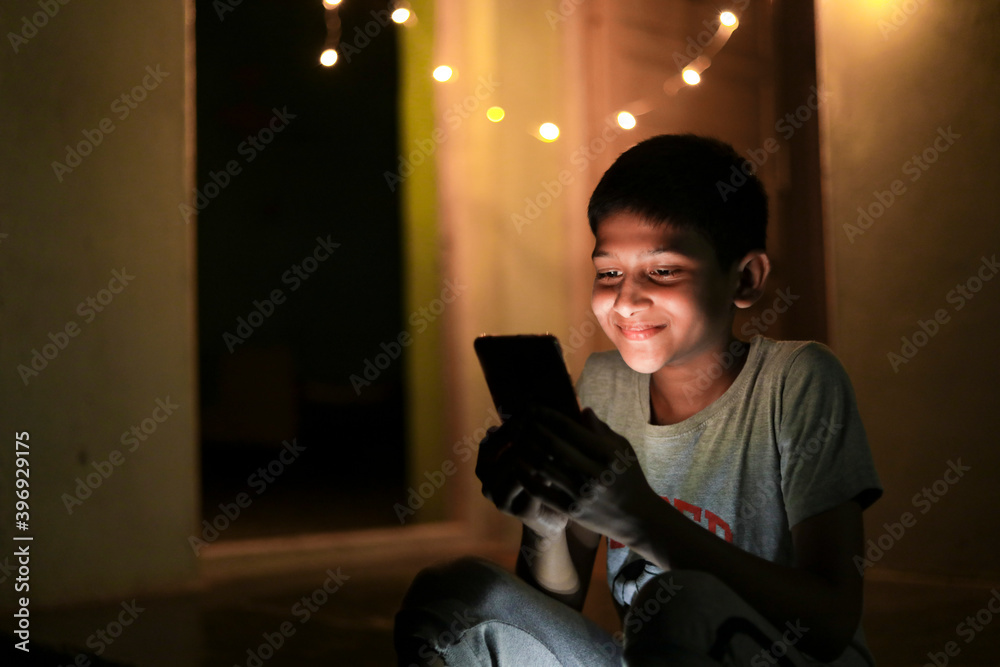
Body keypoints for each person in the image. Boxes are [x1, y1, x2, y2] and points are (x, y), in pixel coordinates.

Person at [393, 134, 883, 666]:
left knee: (679, 602)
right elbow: (557, 606)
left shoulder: (797, 381)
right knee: (453, 592)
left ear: (745, 277)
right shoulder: (604, 386)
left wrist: (640, 520)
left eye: (664, 270)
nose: (626, 300)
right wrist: (545, 523)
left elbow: (830, 622)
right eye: (608, 273)